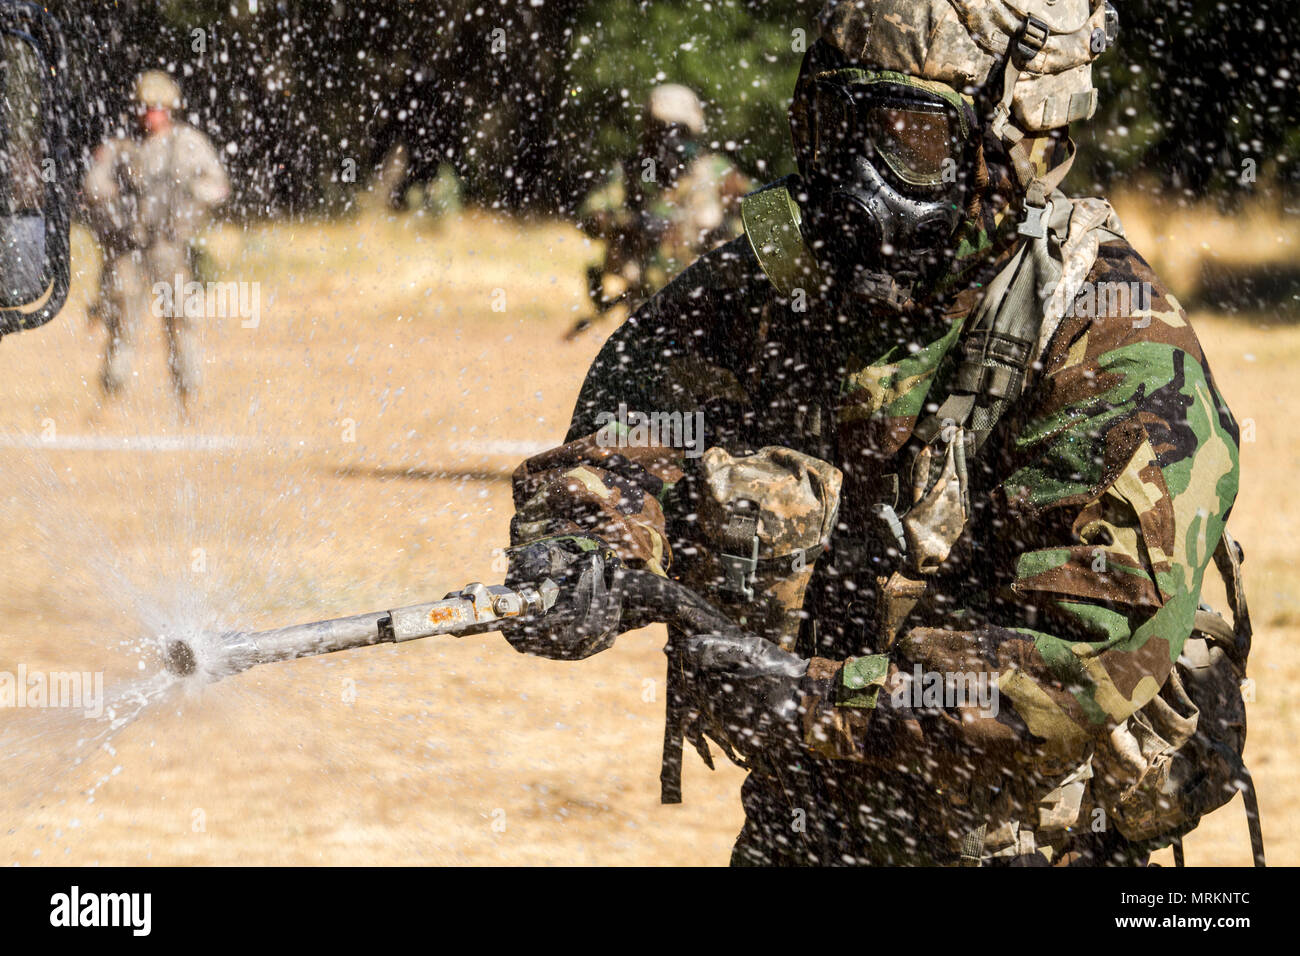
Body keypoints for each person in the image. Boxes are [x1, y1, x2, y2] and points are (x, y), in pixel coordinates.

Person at [502, 0, 1255, 866]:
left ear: (1017, 142)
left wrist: (810, 698)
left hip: (1022, 845)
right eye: (835, 121)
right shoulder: (789, 252)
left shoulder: (1112, 331)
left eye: (910, 137)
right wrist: (581, 537)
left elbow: (1082, 656)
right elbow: (643, 407)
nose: (856, 175)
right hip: (805, 827)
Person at [83, 70, 229, 409]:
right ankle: (110, 399)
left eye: (158, 107)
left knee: (181, 323)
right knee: (122, 325)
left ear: (171, 108)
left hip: (169, 247)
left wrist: (190, 195)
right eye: (146, 107)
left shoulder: (188, 144)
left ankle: (189, 398)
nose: (151, 114)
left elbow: (218, 186)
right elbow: (93, 187)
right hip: (129, 249)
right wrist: (117, 197)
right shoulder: (121, 148)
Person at [567, 83, 750, 339]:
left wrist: (725, 236)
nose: (669, 140)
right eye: (661, 130)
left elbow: (762, 215)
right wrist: (631, 223)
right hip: (647, 305)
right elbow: (591, 216)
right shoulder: (632, 172)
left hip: (709, 304)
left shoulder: (717, 173)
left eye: (678, 131)